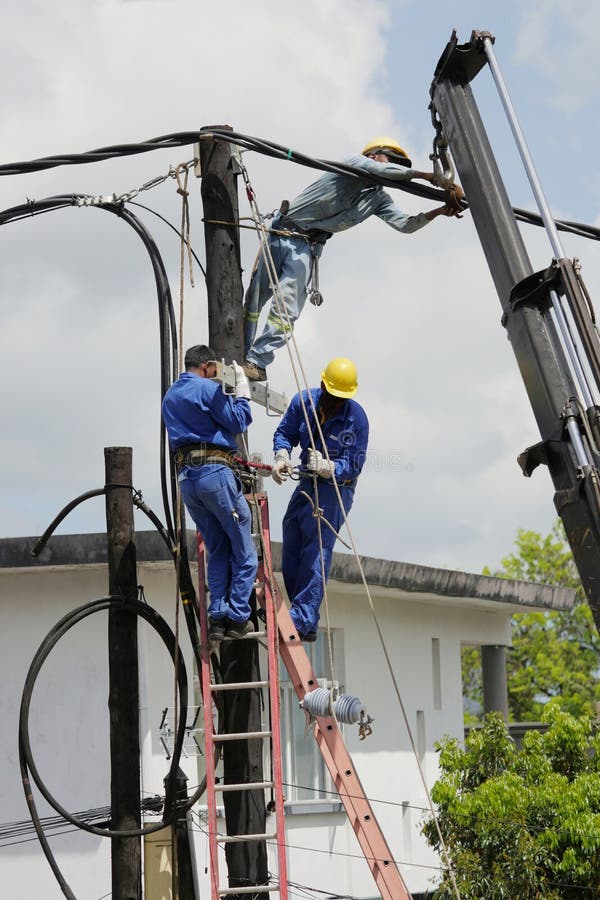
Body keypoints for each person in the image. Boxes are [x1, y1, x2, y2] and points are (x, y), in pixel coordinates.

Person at [242, 137, 463, 381]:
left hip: (306, 246)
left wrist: (441, 211)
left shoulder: (378, 199)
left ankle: (256, 362)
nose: (396, 168)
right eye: (394, 161)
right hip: (280, 231)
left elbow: (406, 225)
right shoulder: (352, 163)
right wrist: (427, 176)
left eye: (401, 164)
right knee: (253, 300)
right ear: (373, 156)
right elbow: (381, 171)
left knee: (286, 310)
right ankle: (239, 352)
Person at [161, 344, 258, 645]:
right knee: (244, 552)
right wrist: (241, 390)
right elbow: (239, 422)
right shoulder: (206, 389)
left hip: (187, 480)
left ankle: (217, 619)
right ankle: (238, 618)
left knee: (217, 548)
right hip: (214, 474)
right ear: (205, 367)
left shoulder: (170, 396)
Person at [271, 357, 369, 641]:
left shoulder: (356, 418)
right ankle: (306, 617)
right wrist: (281, 456)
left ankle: (301, 619)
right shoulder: (304, 402)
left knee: (316, 548)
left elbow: (354, 463)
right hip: (306, 481)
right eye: (332, 396)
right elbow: (285, 433)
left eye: (341, 398)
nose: (335, 402)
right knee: (291, 538)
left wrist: (329, 467)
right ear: (323, 385)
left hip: (335, 489)